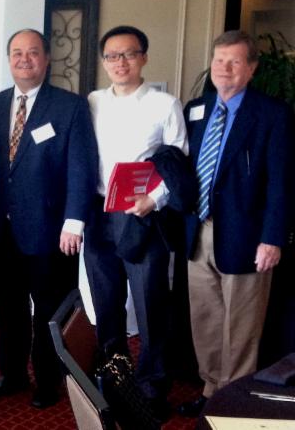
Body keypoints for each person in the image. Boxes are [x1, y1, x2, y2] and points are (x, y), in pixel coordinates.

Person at [0, 28, 99, 409]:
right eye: (17, 53)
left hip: (51, 232)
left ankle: (48, 381)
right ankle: (12, 373)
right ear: (8, 59)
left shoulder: (70, 106)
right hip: (2, 229)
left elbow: (82, 167)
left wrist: (74, 222)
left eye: (33, 53)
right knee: (7, 308)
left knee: (48, 311)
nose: (24, 59)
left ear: (46, 59)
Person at [178, 31, 291, 417]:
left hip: (247, 236)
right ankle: (211, 390)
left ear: (252, 68)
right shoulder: (196, 108)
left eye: (235, 61)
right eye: (218, 60)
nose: (224, 68)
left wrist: (272, 238)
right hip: (200, 230)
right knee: (206, 318)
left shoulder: (272, 114)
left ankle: (234, 400)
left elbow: (282, 182)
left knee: (241, 327)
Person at [84, 26, 189, 415]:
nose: (120, 62)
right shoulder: (92, 101)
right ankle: (115, 382)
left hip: (144, 216)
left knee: (151, 308)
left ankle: (153, 387)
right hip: (99, 214)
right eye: (112, 56)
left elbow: (178, 161)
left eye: (129, 54)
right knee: (106, 305)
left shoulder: (165, 104)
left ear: (144, 57)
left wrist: (155, 200)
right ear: (104, 61)